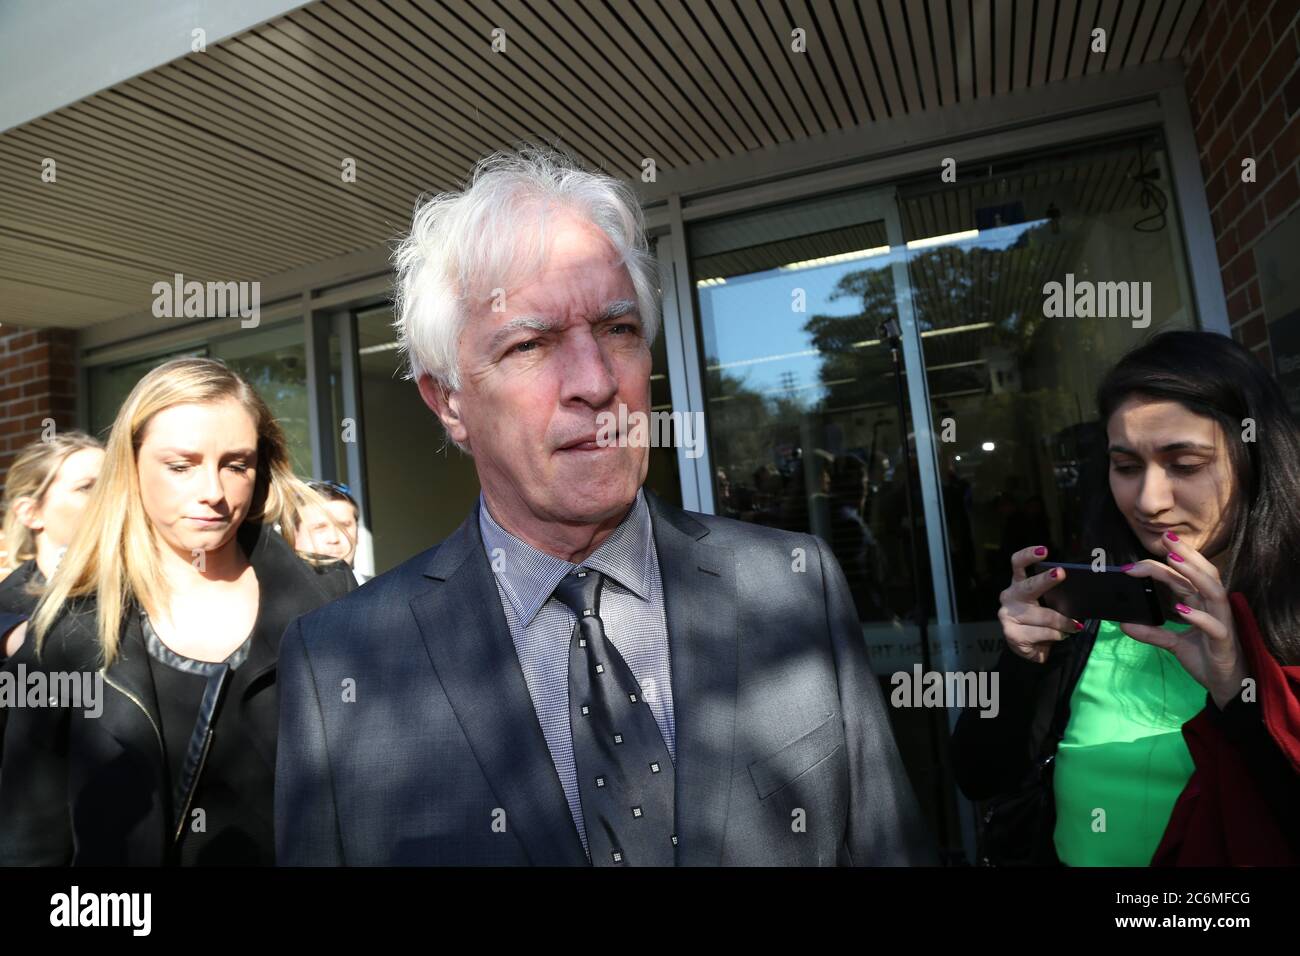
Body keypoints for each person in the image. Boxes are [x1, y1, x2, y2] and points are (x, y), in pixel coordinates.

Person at [276, 147, 933, 866]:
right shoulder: (341, 664)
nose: (595, 381)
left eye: (618, 330)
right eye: (531, 344)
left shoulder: (794, 587)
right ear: (449, 402)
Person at [953, 331, 1300, 866]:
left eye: (1185, 464)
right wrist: (1020, 664)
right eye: (1127, 466)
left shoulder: (1288, 611)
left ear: (1253, 457)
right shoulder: (1092, 606)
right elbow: (979, 776)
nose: (1149, 501)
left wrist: (1239, 696)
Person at [0, 357, 354, 865]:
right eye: (181, 465)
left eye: (236, 464)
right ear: (132, 466)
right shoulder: (65, 628)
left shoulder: (332, 601)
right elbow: (29, 838)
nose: (212, 492)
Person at [0, 432, 105, 657]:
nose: (110, 497)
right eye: (86, 487)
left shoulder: (153, 582)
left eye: (113, 485)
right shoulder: (8, 608)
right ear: (31, 513)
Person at [291, 479, 370, 584]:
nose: (334, 539)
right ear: (292, 535)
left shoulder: (386, 593)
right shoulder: (272, 597)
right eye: (319, 527)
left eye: (344, 526)